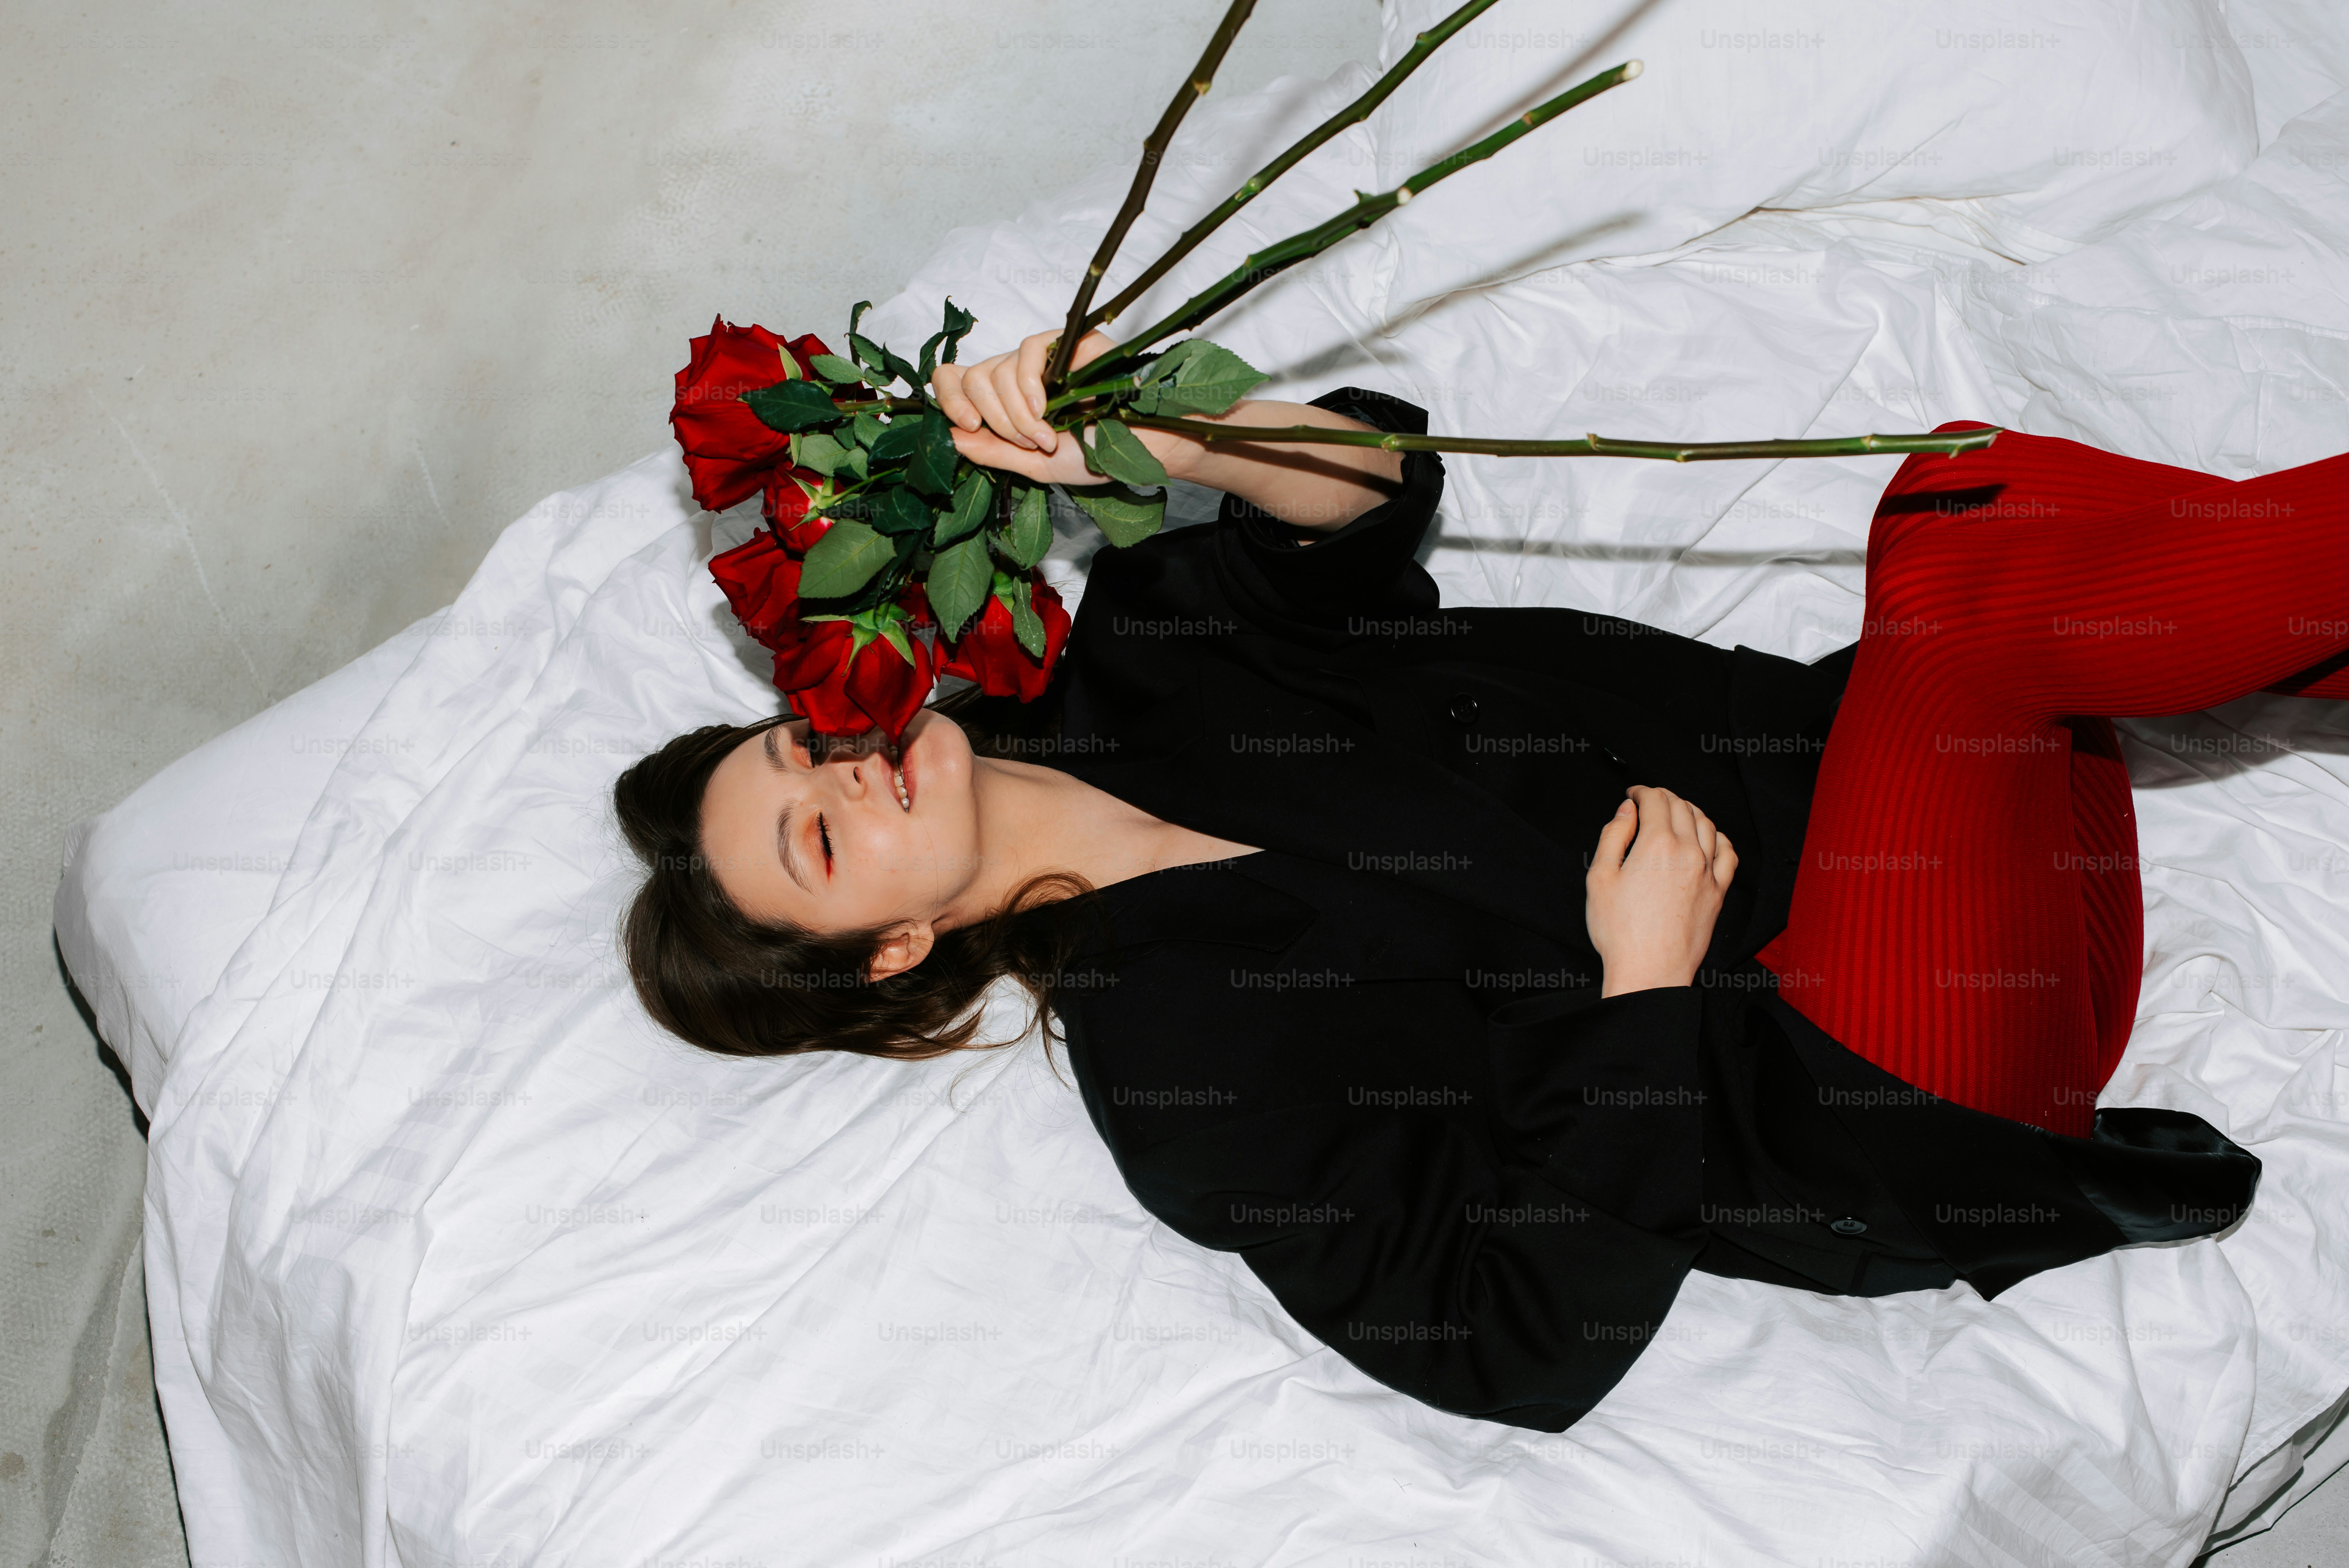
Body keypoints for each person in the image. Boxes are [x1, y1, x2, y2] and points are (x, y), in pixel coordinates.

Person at [613, 327, 2329, 1432]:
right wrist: (1643, 990)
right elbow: (1511, 1338)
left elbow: (1361, 494)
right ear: (896, 944)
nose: (844, 770)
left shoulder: (1148, 648)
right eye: (819, 836)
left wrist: (1164, 433)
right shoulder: (1180, 1072)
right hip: (1905, 1070)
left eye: (802, 746)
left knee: (1967, 488)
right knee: (1957, 564)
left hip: (2026, 825)